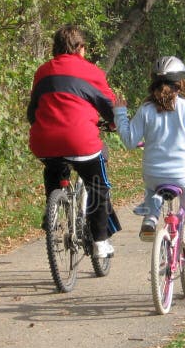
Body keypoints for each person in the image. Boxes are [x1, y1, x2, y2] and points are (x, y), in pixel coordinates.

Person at [114, 56, 185, 283]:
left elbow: (130, 140)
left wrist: (120, 113)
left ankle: (151, 216)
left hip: (153, 175)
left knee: (151, 188)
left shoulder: (145, 110)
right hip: (182, 175)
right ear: (180, 84)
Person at [27, 24, 120, 259]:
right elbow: (109, 106)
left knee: (54, 166)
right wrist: (113, 123)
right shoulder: (91, 71)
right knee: (98, 185)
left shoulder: (42, 71)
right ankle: (100, 241)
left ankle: (52, 210)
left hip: (44, 140)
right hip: (80, 141)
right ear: (79, 48)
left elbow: (32, 111)